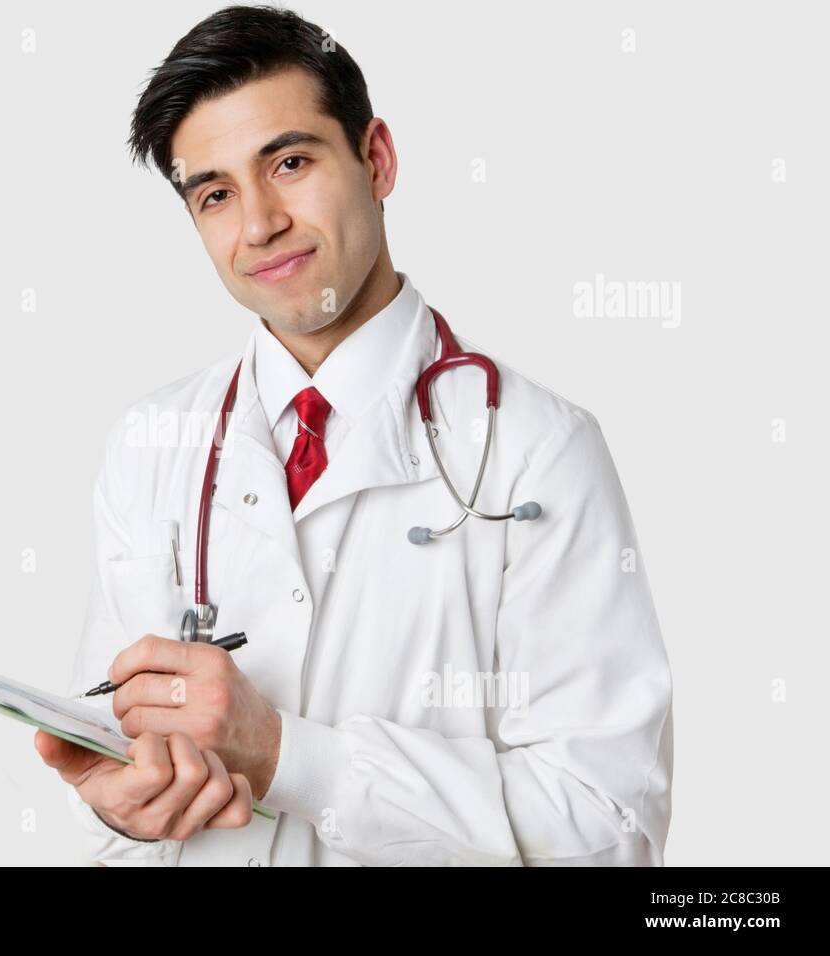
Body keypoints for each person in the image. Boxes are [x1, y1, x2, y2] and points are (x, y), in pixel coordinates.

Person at [34, 4, 673, 866]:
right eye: (216, 193)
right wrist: (116, 809)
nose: (259, 224)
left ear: (377, 159)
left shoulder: (537, 451)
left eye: (290, 162)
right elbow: (115, 792)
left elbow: (608, 831)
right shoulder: (151, 444)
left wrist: (290, 757)